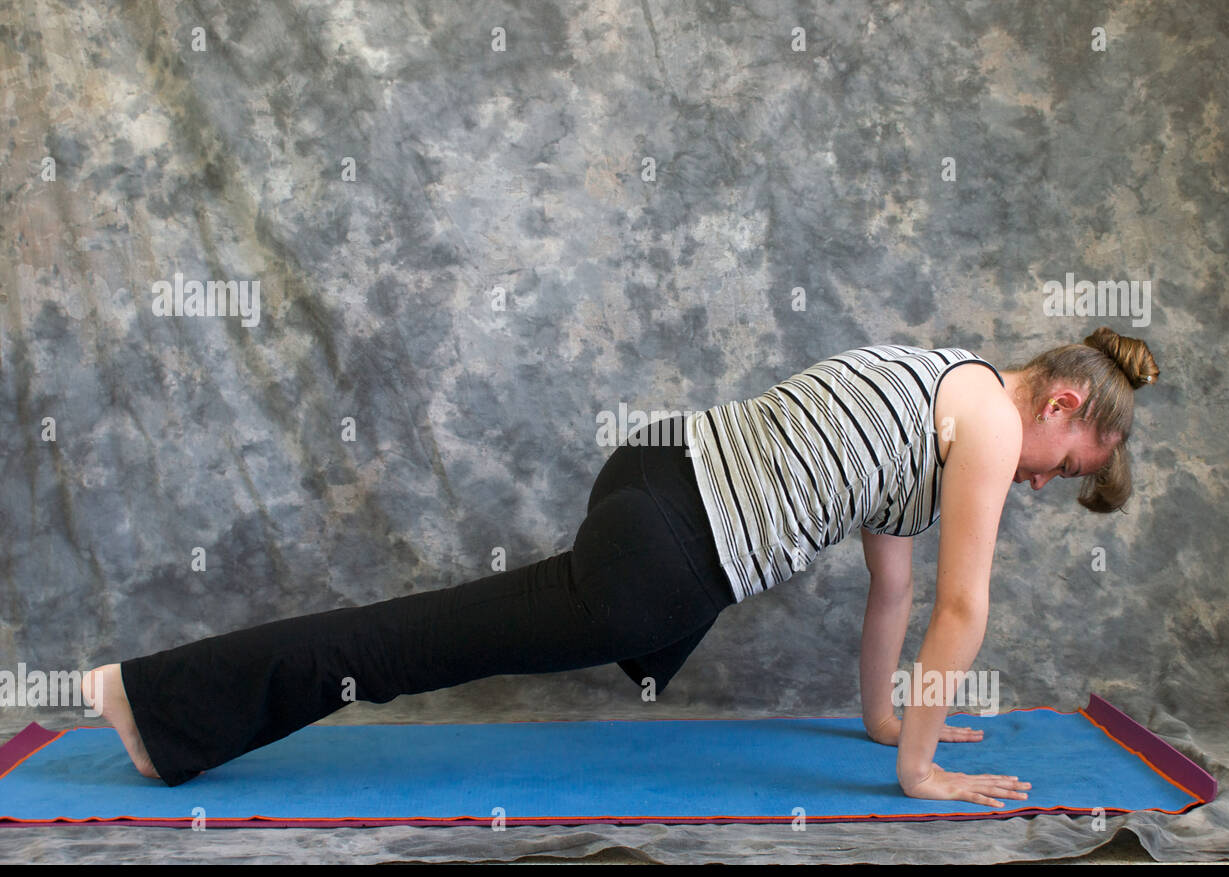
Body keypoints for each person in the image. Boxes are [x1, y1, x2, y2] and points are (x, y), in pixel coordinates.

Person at [83, 326, 1159, 808]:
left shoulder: (935, 389)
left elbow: (898, 593)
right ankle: (148, 701)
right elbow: (964, 608)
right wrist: (920, 773)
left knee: (643, 645)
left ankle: (160, 701)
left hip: (654, 474)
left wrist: (886, 724)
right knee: (410, 644)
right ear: (1060, 405)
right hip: (665, 547)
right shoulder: (982, 416)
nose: (1038, 486)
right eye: (1061, 468)